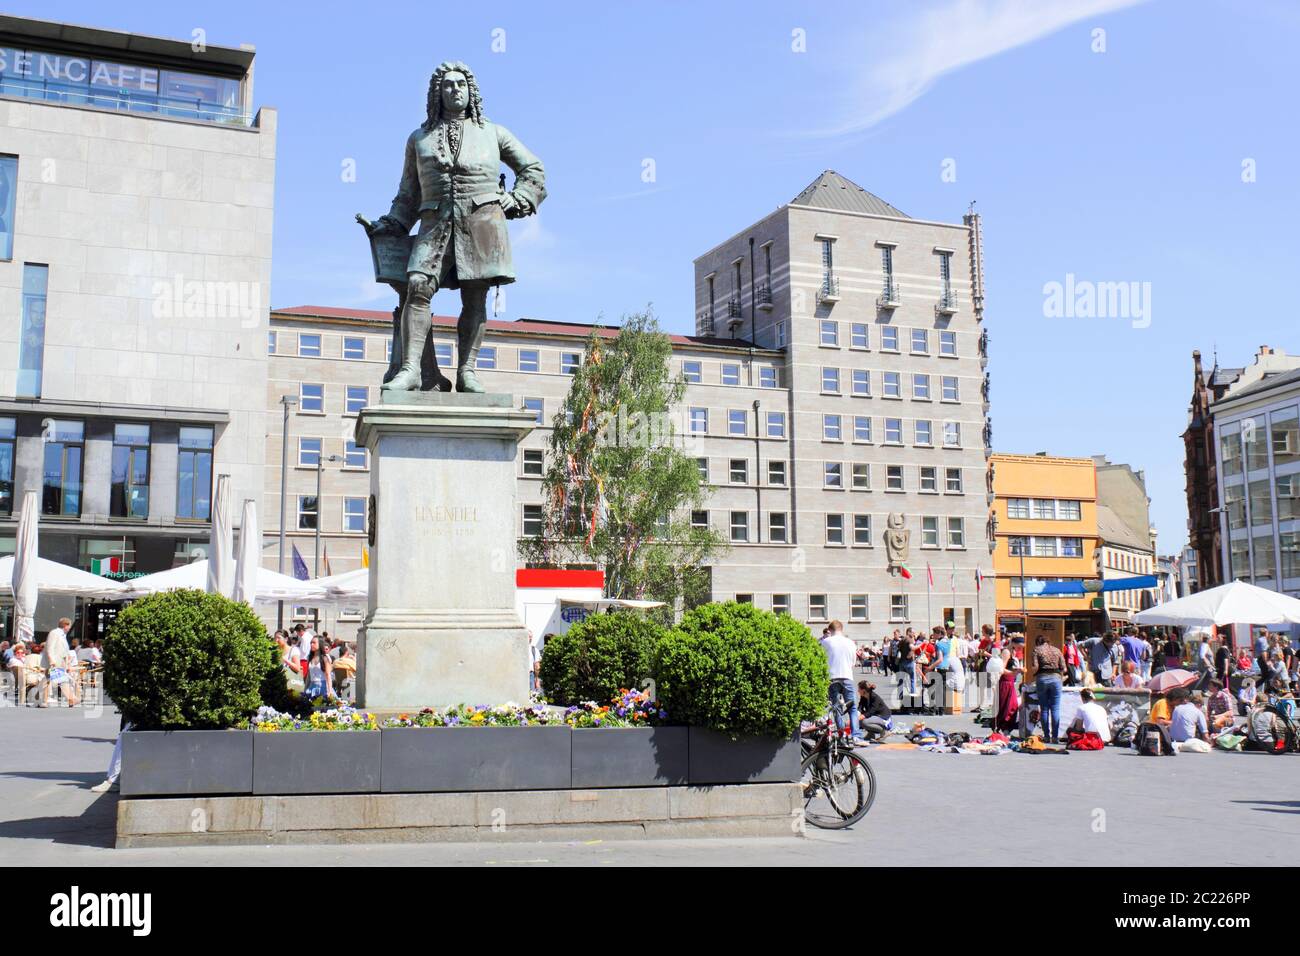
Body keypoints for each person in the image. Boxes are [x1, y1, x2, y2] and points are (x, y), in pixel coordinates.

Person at [819, 620, 860, 739]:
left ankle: (842, 734)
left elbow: (821, 659)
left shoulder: (826, 642)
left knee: (837, 708)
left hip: (832, 677)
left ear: (830, 630)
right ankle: (856, 735)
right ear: (841, 629)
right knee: (852, 707)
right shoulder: (851, 643)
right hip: (847, 676)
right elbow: (853, 662)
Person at [1031, 636, 1067, 743]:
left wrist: (1033, 673)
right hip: (1056, 679)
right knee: (1055, 709)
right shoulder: (1057, 650)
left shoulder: (1036, 650)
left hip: (1042, 678)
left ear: (1038, 642)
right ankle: (1055, 737)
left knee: (1044, 709)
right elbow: (1064, 668)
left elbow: (1035, 666)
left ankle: (1046, 736)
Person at [41, 617, 79, 707]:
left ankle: (43, 701)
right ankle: (71, 699)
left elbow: (64, 651)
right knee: (61, 680)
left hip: (58, 662)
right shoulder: (55, 633)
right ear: (65, 625)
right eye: (69, 626)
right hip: (54, 662)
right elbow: (49, 647)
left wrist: (67, 663)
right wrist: (51, 660)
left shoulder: (61, 635)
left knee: (47, 680)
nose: (70, 628)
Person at [304, 637, 335, 701]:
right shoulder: (310, 658)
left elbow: (328, 675)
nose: (311, 644)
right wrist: (305, 689)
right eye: (311, 643)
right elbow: (309, 676)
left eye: (314, 643)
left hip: (323, 687)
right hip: (312, 687)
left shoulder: (325, 658)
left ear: (320, 644)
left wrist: (329, 691)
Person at [996, 654, 1020, 734]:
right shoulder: (1006, 652)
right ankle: (1004, 727)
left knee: (1011, 705)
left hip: (1010, 683)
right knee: (1006, 706)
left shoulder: (1013, 653)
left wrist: (1016, 671)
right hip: (1006, 683)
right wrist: (1014, 672)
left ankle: (1006, 728)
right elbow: (1001, 670)